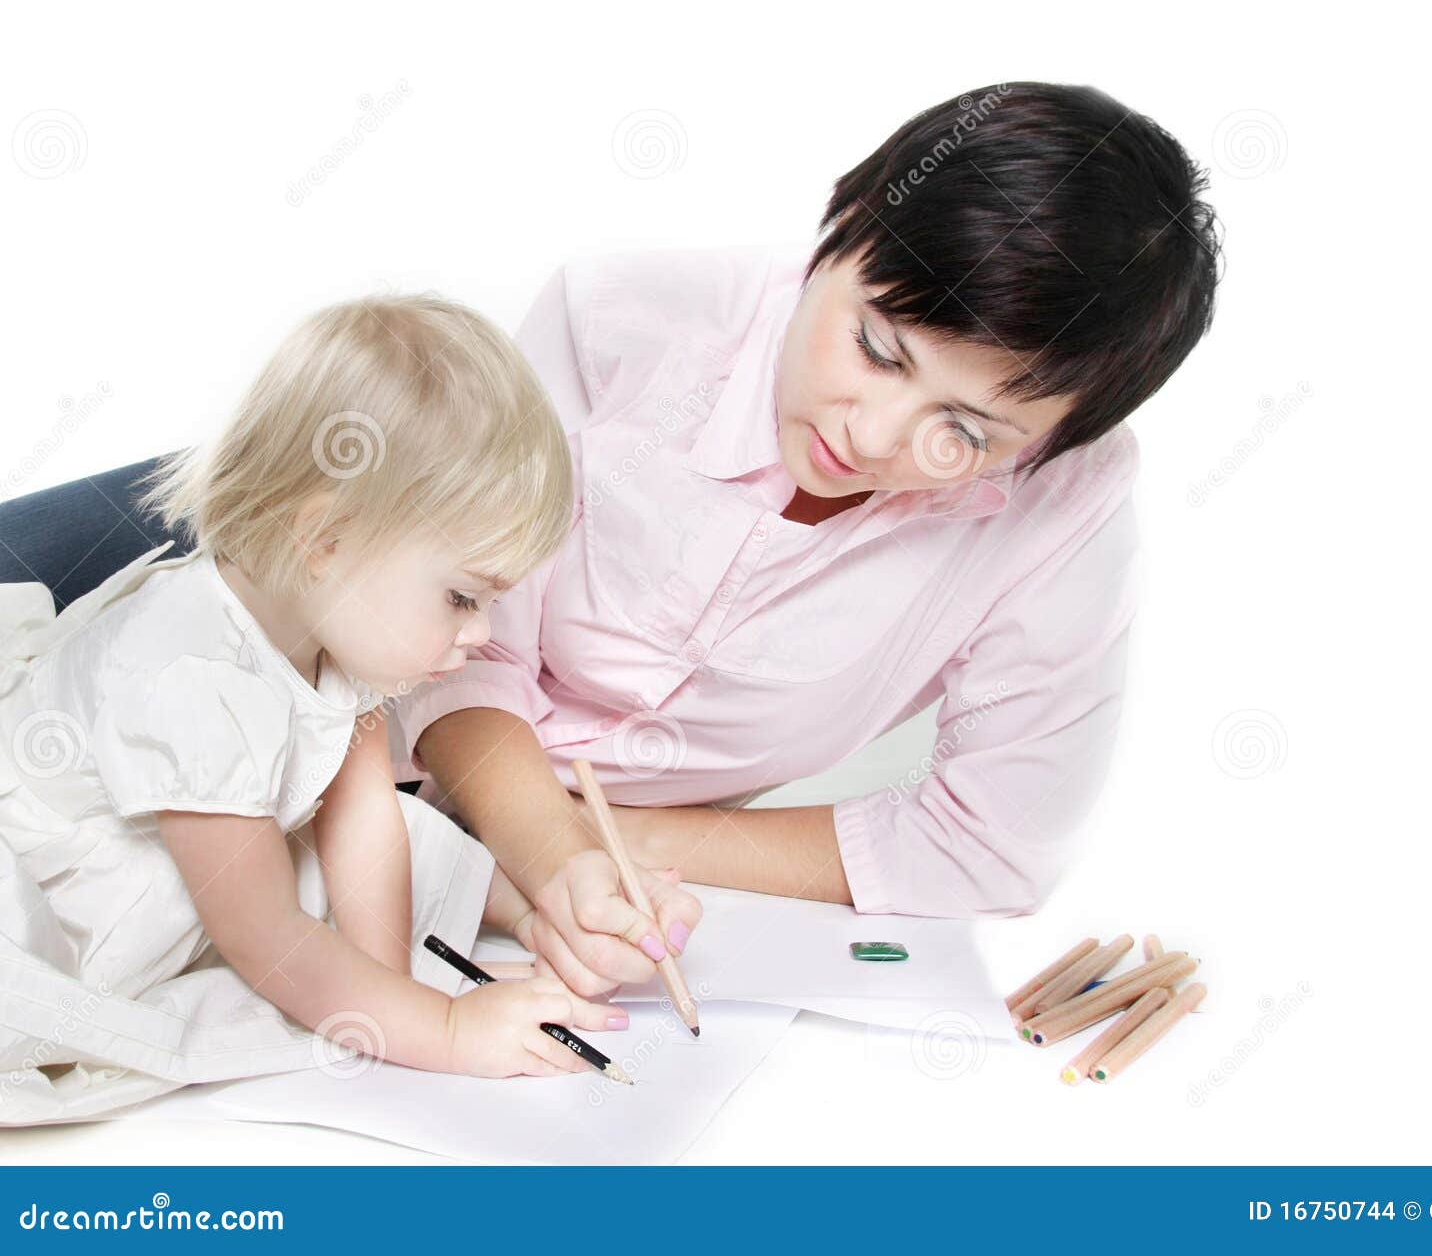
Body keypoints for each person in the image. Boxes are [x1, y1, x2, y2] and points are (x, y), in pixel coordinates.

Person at [392, 81, 1223, 1002]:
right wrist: (551, 850)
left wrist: (616, 844)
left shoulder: (1067, 499)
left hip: (488, 854)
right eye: (877, 349)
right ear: (845, 221)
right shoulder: (623, 319)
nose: (873, 437)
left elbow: (992, 844)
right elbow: (453, 637)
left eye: (970, 432)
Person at [0, 294, 639, 1125]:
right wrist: (442, 1030)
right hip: (63, 883)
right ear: (326, 539)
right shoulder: (190, 679)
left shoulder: (338, 631)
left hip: (221, 844)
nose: (481, 634)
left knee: (409, 837)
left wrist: (393, 992)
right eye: (462, 596)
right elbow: (263, 934)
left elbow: (364, 814)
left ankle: (522, 912)